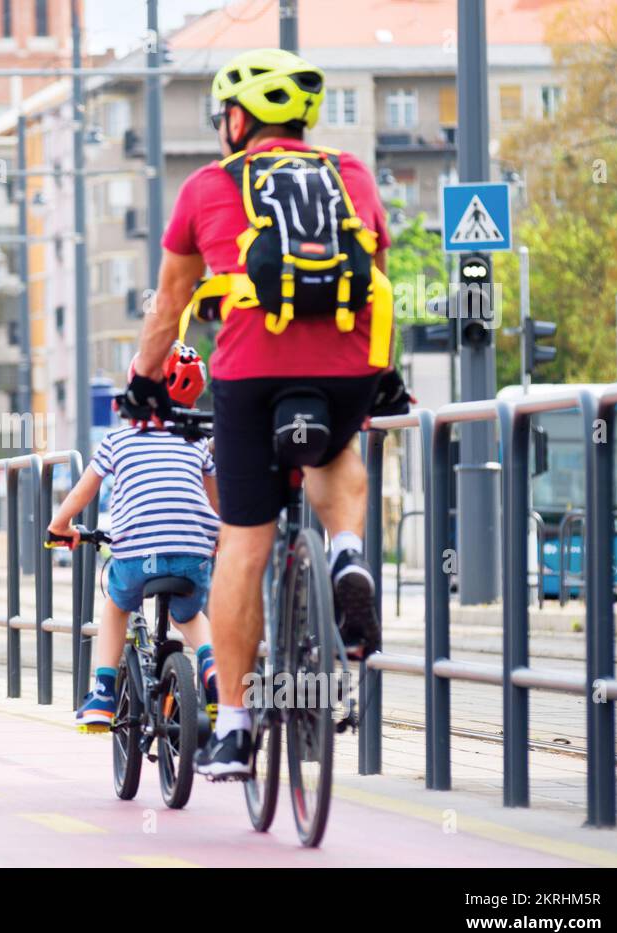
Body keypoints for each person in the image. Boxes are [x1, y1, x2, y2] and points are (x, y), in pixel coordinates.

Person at [127, 48, 413, 780]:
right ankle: (347, 554)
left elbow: (171, 303)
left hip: (252, 371)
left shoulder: (209, 185)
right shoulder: (348, 174)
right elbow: (376, 264)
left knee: (244, 543)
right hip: (351, 363)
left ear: (239, 118)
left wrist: (143, 380)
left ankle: (239, 725)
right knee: (335, 452)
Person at [48, 346, 220, 730]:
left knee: (116, 604)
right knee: (189, 614)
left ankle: (103, 695)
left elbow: (83, 491)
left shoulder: (117, 440)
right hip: (192, 551)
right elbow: (215, 501)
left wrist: (59, 526)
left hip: (135, 554)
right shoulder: (196, 443)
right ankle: (213, 667)